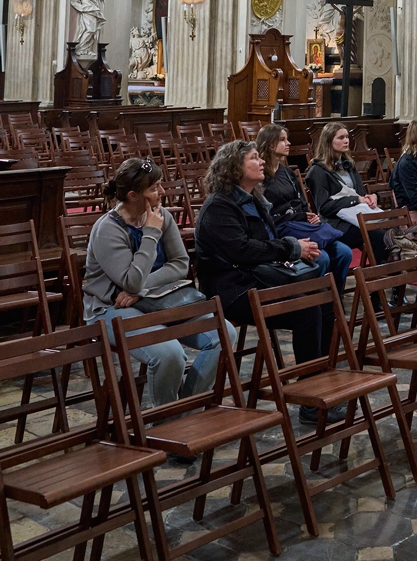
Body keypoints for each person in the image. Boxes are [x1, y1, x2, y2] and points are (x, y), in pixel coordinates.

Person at [194, 141, 332, 423]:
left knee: (322, 296)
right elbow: (242, 251)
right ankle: (310, 403)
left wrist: (291, 248)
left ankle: (324, 380)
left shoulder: (254, 199)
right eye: (254, 158)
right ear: (234, 167)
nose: (261, 162)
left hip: (258, 279)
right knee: (307, 311)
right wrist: (292, 247)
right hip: (232, 290)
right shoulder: (219, 207)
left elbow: (264, 244)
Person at [84, 157, 230, 408]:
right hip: (111, 309)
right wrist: (151, 233)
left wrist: (142, 292)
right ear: (132, 195)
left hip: (156, 299)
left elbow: (180, 264)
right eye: (154, 188)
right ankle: (167, 420)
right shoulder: (108, 229)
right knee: (170, 354)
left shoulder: (162, 216)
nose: (162, 192)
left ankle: (184, 409)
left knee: (224, 332)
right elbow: (130, 280)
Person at [256, 124, 354, 290]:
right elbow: (268, 214)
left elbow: (301, 202)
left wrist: (308, 215)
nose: (288, 143)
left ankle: (334, 299)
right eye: (282, 140)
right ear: (269, 144)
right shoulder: (259, 175)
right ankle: (314, 301)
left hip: (300, 225)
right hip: (280, 231)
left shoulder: (287, 172)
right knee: (321, 258)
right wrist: (297, 216)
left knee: (344, 252)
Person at [304, 122, 387, 266]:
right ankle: (380, 282)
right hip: (336, 224)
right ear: (329, 141)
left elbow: (360, 194)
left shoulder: (349, 165)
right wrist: (355, 200)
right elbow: (324, 208)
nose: (346, 141)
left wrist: (371, 198)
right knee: (378, 235)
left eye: (347, 137)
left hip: (356, 216)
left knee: (392, 228)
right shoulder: (317, 171)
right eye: (341, 137)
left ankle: (392, 278)